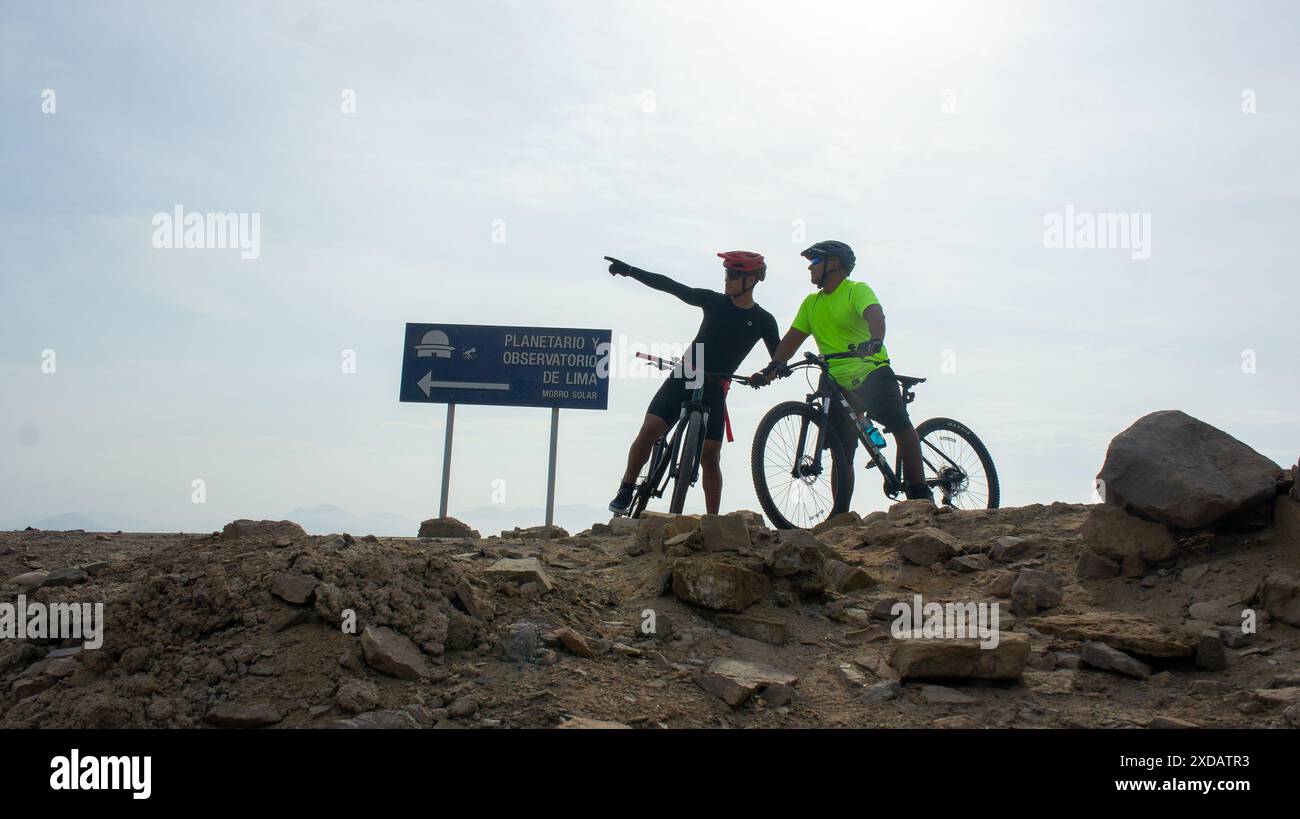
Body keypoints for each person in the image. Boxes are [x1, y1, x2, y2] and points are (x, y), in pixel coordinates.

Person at [750, 240, 934, 502]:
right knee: (841, 448)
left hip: (871, 371)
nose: (810, 268)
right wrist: (772, 368)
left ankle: (919, 492)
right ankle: (841, 513)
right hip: (835, 378)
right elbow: (792, 339)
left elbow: (875, 316)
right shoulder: (811, 303)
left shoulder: (856, 290)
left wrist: (875, 341)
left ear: (834, 264)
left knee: (899, 424)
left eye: (815, 262)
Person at [605, 252, 780, 514]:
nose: (727, 280)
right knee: (651, 428)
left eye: (733, 275)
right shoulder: (713, 301)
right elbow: (672, 286)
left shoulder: (764, 320)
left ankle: (713, 519)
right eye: (726, 274)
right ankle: (626, 487)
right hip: (687, 372)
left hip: (717, 385)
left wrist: (765, 376)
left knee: (710, 456)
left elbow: (778, 358)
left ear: (752, 280)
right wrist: (630, 270)